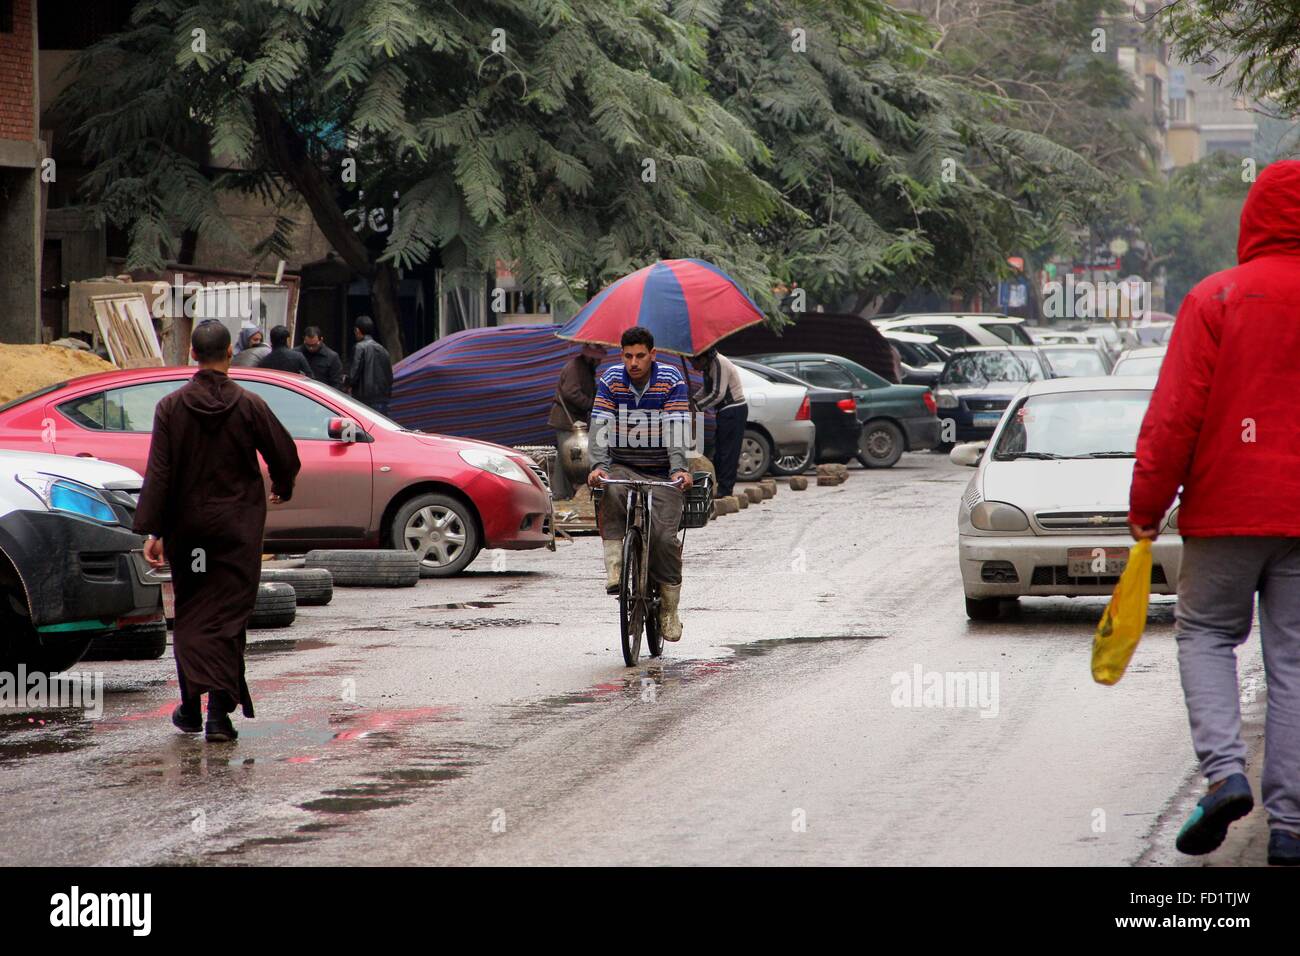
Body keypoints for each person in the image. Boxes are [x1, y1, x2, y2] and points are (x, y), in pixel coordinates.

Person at [1129, 159, 1300, 867]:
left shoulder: (1215, 298)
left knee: (1203, 634)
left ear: (1252, 219)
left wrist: (1147, 504)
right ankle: (1290, 826)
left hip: (1226, 509)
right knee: (1294, 658)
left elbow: (1175, 418)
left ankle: (1226, 774)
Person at [134, 321, 301, 743]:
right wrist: (282, 484)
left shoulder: (170, 408)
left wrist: (153, 529)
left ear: (192, 354)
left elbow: (160, 471)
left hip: (189, 533)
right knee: (227, 618)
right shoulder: (250, 405)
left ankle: (191, 707)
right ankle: (218, 717)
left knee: (192, 616)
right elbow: (285, 454)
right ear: (230, 353)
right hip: (237, 530)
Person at [587, 327, 693, 641]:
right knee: (612, 491)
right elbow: (600, 425)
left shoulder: (671, 380)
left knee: (663, 537)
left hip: (662, 471)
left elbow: (676, 427)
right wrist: (598, 467)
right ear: (622, 355)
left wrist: (678, 470)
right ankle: (616, 567)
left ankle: (669, 609)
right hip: (624, 465)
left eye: (640, 356)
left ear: (652, 355)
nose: (634, 362)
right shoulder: (610, 380)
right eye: (628, 355)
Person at [547, 343, 605, 499]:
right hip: (566, 419)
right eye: (597, 358)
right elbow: (570, 392)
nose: (600, 362)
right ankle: (560, 493)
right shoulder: (575, 367)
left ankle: (563, 493)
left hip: (574, 419)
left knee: (564, 457)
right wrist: (591, 404)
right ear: (590, 357)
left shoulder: (586, 369)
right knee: (567, 458)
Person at [689, 347, 747, 497]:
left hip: (733, 409)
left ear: (701, 358)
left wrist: (697, 407)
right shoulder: (708, 367)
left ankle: (725, 489)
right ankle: (721, 485)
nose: (692, 367)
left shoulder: (719, 363)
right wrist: (693, 400)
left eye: (692, 362)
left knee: (728, 451)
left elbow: (717, 393)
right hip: (723, 411)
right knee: (720, 450)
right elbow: (707, 389)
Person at [348, 315, 393, 414]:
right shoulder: (383, 350)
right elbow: (390, 378)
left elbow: (353, 376)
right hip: (382, 400)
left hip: (363, 401)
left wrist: (345, 381)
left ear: (357, 330)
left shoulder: (359, 348)